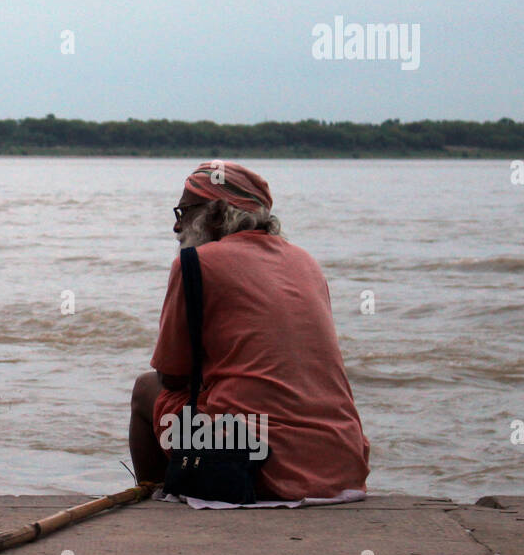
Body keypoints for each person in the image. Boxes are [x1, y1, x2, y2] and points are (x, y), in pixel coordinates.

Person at [129, 161, 370, 500]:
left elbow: (170, 378)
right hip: (341, 466)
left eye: (183, 212)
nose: (176, 226)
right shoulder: (306, 262)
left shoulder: (194, 263)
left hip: (250, 466)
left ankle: (156, 499)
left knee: (145, 390)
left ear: (215, 212)